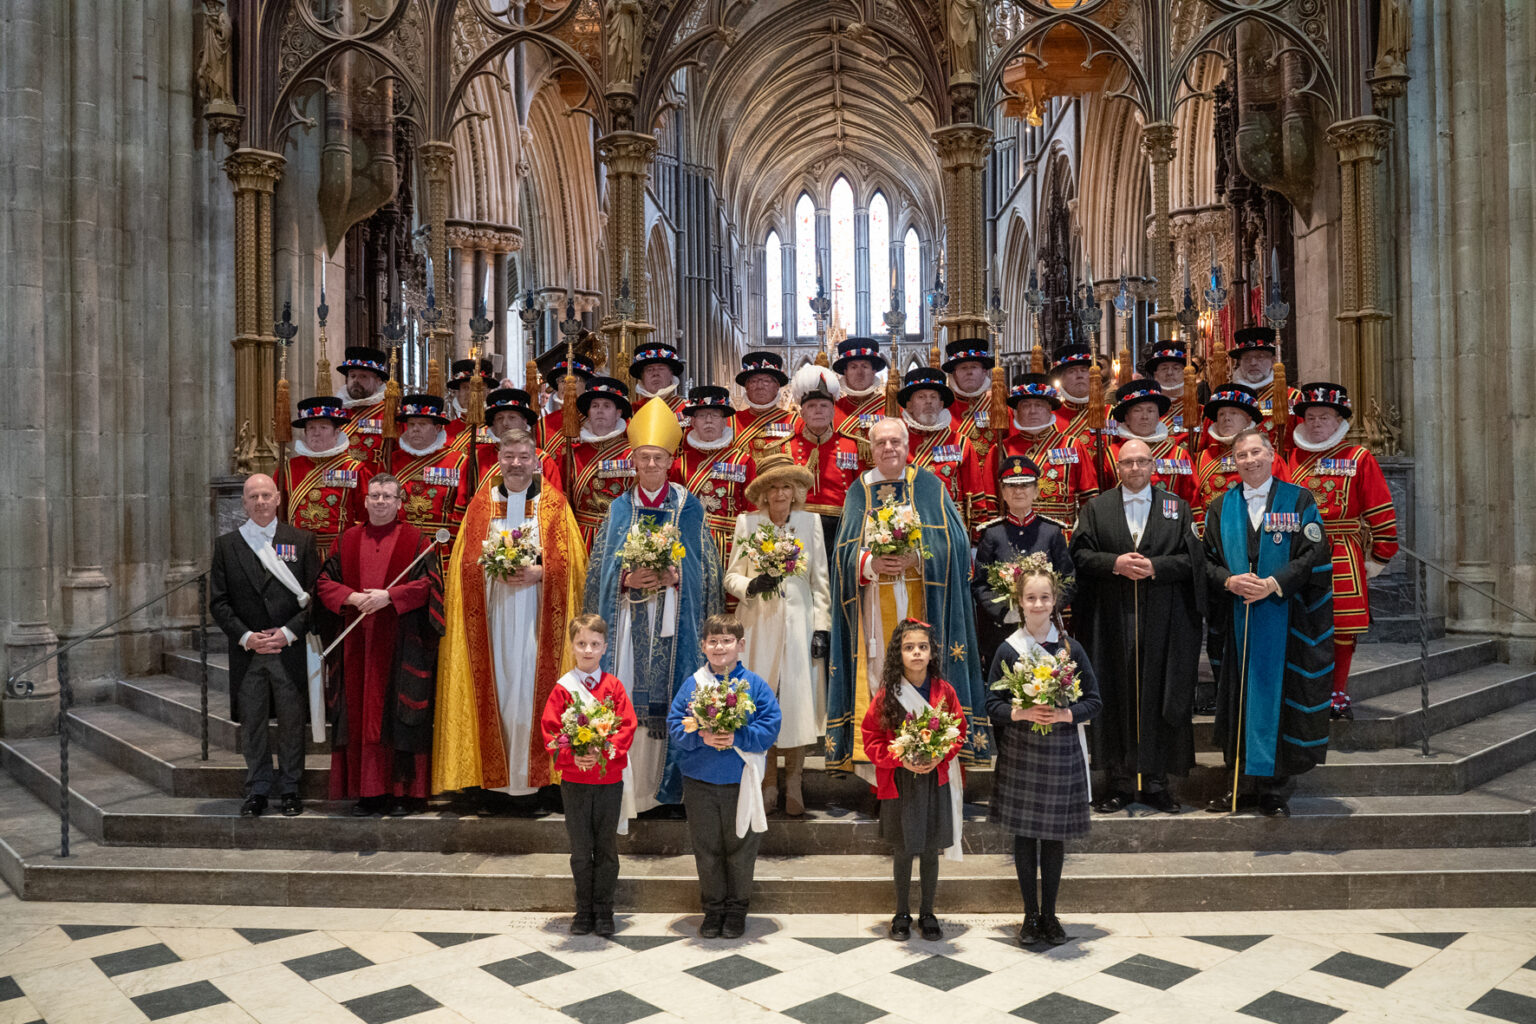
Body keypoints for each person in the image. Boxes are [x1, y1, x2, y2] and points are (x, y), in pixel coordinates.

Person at [435, 428, 587, 815]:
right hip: (493, 617)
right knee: (499, 693)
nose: (516, 464)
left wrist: (542, 573)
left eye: (523, 456)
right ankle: (493, 786)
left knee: (533, 694)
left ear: (536, 460)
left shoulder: (554, 505)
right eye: (509, 457)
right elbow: (462, 565)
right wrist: (490, 569)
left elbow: (575, 566)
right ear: (498, 459)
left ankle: (541, 784)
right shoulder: (481, 505)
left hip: (538, 619)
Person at [827, 416, 989, 777]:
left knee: (924, 675)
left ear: (907, 446)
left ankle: (934, 764)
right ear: (871, 449)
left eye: (895, 442)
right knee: (878, 679)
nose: (888, 449)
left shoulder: (929, 486)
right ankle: (881, 775)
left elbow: (957, 544)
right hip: (874, 611)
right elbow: (842, 553)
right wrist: (870, 562)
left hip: (921, 602)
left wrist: (918, 556)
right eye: (881, 443)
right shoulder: (860, 489)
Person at [585, 397, 724, 817]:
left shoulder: (689, 506)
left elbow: (708, 568)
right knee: (626, 693)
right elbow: (598, 571)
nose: (650, 465)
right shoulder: (619, 508)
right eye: (643, 457)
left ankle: (667, 791)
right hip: (629, 621)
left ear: (670, 461)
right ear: (634, 461)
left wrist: (677, 576)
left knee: (671, 698)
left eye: (657, 458)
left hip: (673, 618)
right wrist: (625, 579)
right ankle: (625, 789)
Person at [1069, 437, 1204, 814]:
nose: (1134, 469)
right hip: (1110, 621)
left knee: (1159, 694)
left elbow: (1193, 561)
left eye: (1141, 462)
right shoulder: (1096, 508)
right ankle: (1120, 783)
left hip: (1164, 619)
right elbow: (1078, 554)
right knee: (1116, 695)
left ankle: (1157, 782)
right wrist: (1115, 563)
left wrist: (1155, 567)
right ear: (1117, 466)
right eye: (1127, 463)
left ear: (1152, 465)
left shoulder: (1177, 508)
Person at [1204, 427, 1334, 816]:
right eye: (1241, 455)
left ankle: (1274, 790)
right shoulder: (1220, 507)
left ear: (1272, 454)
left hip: (1285, 617)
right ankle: (1240, 783)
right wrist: (1228, 580)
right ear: (1234, 461)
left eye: (1256, 453)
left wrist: (1274, 584)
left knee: (1278, 698)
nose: (1250, 461)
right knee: (1238, 698)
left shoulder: (1298, 500)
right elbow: (1206, 561)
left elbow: (1314, 553)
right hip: (1236, 622)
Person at [985, 558, 1101, 948]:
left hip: (1061, 751)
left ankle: (1050, 915)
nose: (1037, 604)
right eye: (1030, 598)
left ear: (1055, 602)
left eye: (1044, 597)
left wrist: (1067, 713)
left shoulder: (1071, 649)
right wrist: (1020, 712)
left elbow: (1095, 702)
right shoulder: (1008, 649)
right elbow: (991, 706)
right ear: (1019, 601)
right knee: (1024, 836)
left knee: (1053, 838)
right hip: (1021, 752)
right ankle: (1029, 916)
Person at [317, 473, 444, 816]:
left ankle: (403, 793)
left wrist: (390, 596)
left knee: (398, 717)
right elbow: (325, 583)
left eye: (389, 496)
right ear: (366, 500)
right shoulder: (347, 540)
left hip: (402, 644)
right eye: (375, 496)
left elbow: (429, 586)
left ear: (400, 503)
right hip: (357, 644)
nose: (381, 502)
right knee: (360, 718)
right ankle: (368, 794)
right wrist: (353, 597)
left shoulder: (417, 540)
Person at [724, 452, 831, 816]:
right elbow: (731, 577)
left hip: (800, 627)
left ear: (797, 490)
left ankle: (795, 781)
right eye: (774, 488)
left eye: (787, 486)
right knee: (762, 698)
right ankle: (768, 779)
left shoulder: (810, 522)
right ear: (763, 494)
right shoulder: (747, 523)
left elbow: (820, 582)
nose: (781, 494)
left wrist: (822, 627)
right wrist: (752, 584)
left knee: (798, 703)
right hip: (759, 625)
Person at [209, 474, 321, 818]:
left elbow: (316, 597)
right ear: (244, 504)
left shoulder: (300, 541)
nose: (259, 502)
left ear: (278, 500)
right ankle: (257, 789)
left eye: (265, 495)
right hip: (249, 652)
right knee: (253, 723)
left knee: (290, 721)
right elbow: (219, 602)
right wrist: (247, 637)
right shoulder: (228, 545)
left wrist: (287, 633)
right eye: (252, 496)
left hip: (288, 649)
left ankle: (290, 787)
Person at [1286, 382, 1399, 718]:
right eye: (1311, 416)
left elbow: (1381, 509)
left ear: (1339, 421)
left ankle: (1337, 692)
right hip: (1296, 552)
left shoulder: (1358, 457)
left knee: (1342, 629)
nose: (1317, 422)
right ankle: (1304, 691)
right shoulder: (1290, 456)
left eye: (1325, 416)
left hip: (1343, 554)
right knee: (1300, 625)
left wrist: (1380, 555)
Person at [667, 615, 782, 939]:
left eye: (727, 641)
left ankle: (736, 910)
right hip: (700, 781)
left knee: (741, 849)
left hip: (740, 781)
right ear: (703, 646)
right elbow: (676, 726)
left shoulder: (754, 686)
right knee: (707, 849)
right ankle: (713, 909)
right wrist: (700, 736)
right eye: (713, 641)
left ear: (740, 645)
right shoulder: (693, 684)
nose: (720, 647)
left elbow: (771, 724)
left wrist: (738, 737)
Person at [860, 619, 968, 942]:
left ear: (932, 653)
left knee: (932, 849)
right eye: (909, 648)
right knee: (904, 850)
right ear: (899, 654)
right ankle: (902, 912)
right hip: (901, 783)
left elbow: (959, 732)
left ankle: (928, 912)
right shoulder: (888, 696)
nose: (917, 653)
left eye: (923, 647)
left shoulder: (944, 692)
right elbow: (871, 738)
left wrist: (939, 756)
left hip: (935, 782)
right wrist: (900, 758)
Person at [540, 614, 637, 937]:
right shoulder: (563, 690)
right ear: (572, 647)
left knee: (606, 848)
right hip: (576, 782)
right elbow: (552, 733)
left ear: (605, 647)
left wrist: (603, 750)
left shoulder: (614, 687)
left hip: (608, 781)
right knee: (581, 850)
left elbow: (626, 726)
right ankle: (583, 910)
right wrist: (574, 754)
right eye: (581, 644)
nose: (587, 650)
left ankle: (604, 910)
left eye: (594, 644)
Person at [971, 455, 1076, 669]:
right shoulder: (992, 534)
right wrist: (1004, 612)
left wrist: (1047, 607)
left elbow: (1069, 579)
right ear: (1002, 492)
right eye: (1011, 486)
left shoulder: (1051, 532)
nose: (1018, 491)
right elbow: (980, 584)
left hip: (1045, 628)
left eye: (1025, 485)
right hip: (1003, 630)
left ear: (1036, 491)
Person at [986, 374, 1099, 533]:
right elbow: (991, 502)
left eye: (1039, 405)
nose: (1032, 411)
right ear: (1016, 412)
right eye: (1026, 405)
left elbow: (1090, 496)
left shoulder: (1073, 445)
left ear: (1049, 410)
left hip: (1063, 534)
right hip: (1013, 533)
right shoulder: (1000, 450)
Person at [896, 367, 994, 538]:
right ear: (909, 405)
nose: (928, 402)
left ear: (941, 404)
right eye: (921, 397)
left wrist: (976, 540)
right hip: (908, 527)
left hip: (952, 527)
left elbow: (975, 493)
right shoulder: (897, 441)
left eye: (933, 397)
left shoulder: (961, 442)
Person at [782, 362, 865, 561]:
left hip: (842, 529)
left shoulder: (854, 446)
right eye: (811, 406)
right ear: (801, 413)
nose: (818, 411)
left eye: (824, 406)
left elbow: (863, 493)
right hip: (797, 528)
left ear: (833, 411)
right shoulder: (785, 448)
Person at [672, 385, 757, 566]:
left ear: (725, 421)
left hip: (732, 548)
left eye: (715, 415)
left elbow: (753, 510)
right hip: (689, 546)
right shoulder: (679, 465)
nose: (708, 420)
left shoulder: (743, 462)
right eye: (702, 415)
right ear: (693, 422)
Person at [389, 393, 472, 577]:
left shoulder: (459, 462)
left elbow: (462, 509)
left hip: (441, 548)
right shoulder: (392, 460)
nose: (415, 429)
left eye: (422, 424)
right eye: (411, 424)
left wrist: (453, 545)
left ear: (437, 427)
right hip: (398, 544)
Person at [1192, 384, 1291, 536]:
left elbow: (1284, 499)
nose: (1226, 418)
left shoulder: (1268, 456)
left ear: (1248, 419)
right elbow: (1195, 502)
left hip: (1257, 532)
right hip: (1214, 533)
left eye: (1234, 413)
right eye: (1221, 414)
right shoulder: (1202, 457)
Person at [281, 396, 371, 559]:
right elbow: (278, 517)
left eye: (323, 427)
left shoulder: (356, 470)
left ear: (337, 432)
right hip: (298, 552)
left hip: (339, 552)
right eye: (311, 427)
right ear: (305, 432)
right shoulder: (288, 468)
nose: (316, 433)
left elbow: (367, 517)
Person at [566, 377, 634, 548]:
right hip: (581, 538)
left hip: (621, 537)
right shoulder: (573, 454)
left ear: (618, 413)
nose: (599, 411)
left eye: (606, 406)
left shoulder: (632, 453)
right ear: (588, 412)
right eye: (595, 406)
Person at [1105, 380, 1197, 504]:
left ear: (1159, 415)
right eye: (1137, 410)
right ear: (1126, 417)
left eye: (1150, 410)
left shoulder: (1179, 455)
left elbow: (1193, 502)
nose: (1145, 416)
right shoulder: (1110, 454)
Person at [1228, 327, 1301, 449]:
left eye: (1260, 357)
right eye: (1247, 358)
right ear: (1240, 363)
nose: (1253, 363)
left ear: (1273, 360)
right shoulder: (1229, 398)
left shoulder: (1292, 397)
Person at [479, 387, 563, 490]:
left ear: (524, 422)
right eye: (500, 418)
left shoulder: (544, 461)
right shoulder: (478, 459)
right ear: (493, 424)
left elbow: (557, 503)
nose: (505, 423)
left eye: (512, 417)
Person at [943, 337, 1001, 463]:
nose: (969, 372)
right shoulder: (942, 407)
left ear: (984, 372)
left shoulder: (999, 404)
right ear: (954, 374)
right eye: (963, 368)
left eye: (974, 367)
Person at [334, 345, 392, 469]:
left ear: (379, 380)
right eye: (352, 375)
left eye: (363, 376)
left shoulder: (390, 413)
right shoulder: (335, 412)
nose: (356, 380)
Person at [732, 351, 798, 458]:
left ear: (777, 386)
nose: (760, 386)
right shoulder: (730, 423)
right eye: (753, 381)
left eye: (766, 381)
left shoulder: (795, 422)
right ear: (746, 387)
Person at [832, 337, 890, 453]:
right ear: (845, 372)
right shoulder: (832, 409)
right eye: (853, 367)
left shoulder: (890, 407)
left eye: (865, 366)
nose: (859, 373)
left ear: (874, 371)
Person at [443, 356, 498, 457]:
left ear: (488, 392)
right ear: (457, 392)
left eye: (477, 388)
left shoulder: (498, 428)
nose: (470, 393)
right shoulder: (444, 430)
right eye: (465, 387)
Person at [630, 342, 688, 426]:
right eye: (649, 370)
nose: (655, 373)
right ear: (642, 378)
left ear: (671, 374)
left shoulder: (686, 409)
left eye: (661, 368)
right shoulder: (633, 411)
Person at [1048, 344, 1096, 444]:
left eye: (1084, 370)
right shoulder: (1047, 419)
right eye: (1071, 371)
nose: (1079, 375)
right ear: (1061, 378)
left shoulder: (1110, 414)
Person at [1143, 344, 1192, 433]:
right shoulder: (1143, 411)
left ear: (1186, 373)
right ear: (1155, 375)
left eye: (1176, 368)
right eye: (1164, 368)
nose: (1169, 373)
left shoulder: (1200, 413)